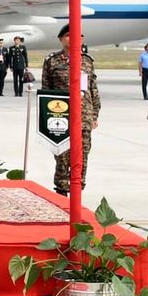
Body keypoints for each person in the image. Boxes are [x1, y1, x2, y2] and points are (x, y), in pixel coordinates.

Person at [41, 24, 100, 196]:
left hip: (84, 115)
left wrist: (95, 114)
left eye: (76, 35)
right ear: (61, 39)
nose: (72, 38)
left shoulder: (87, 61)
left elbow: (93, 89)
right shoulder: (52, 61)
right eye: (67, 35)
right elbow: (46, 90)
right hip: (60, 116)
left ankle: (77, 189)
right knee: (62, 155)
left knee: (82, 154)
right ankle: (61, 190)